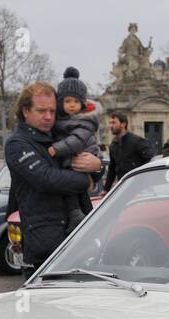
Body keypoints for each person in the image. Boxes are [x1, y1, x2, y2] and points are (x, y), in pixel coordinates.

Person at [5, 81, 102, 272]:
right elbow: (46, 179)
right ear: (26, 111)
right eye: (42, 111)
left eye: (52, 110)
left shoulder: (59, 135)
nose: (49, 116)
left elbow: (87, 166)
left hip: (76, 239)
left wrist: (97, 167)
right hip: (45, 242)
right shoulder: (17, 143)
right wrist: (86, 181)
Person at [48, 67, 102, 231]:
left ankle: (76, 213)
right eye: (67, 101)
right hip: (70, 169)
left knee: (72, 188)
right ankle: (75, 213)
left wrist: (55, 149)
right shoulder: (58, 122)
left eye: (76, 102)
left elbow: (76, 141)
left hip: (77, 162)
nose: (72, 105)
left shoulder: (83, 122)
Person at [103, 111, 155, 192]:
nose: (110, 126)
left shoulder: (137, 141)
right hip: (123, 186)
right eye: (110, 123)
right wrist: (106, 189)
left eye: (113, 123)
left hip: (141, 187)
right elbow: (112, 169)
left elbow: (150, 160)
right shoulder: (113, 144)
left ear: (123, 124)